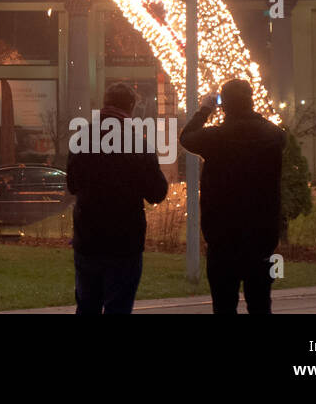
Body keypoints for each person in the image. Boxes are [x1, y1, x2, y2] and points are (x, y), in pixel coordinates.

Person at [180, 78, 286, 314]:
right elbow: (278, 134)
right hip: (262, 237)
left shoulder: (216, 138)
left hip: (222, 237)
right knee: (260, 303)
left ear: (224, 105)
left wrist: (206, 108)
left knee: (224, 304)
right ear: (251, 101)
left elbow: (186, 137)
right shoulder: (273, 137)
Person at [66, 82, 169, 314]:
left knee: (87, 306)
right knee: (119, 307)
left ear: (105, 103)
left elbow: (72, 186)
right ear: (131, 107)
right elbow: (157, 193)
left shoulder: (81, 139)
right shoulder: (138, 143)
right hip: (124, 241)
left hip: (88, 238)